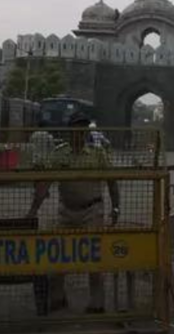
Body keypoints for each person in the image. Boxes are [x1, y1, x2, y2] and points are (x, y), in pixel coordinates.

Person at [28, 113, 121, 314]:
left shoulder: (98, 154)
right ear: (70, 132)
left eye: (84, 129)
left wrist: (116, 207)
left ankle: (97, 303)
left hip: (92, 210)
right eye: (77, 129)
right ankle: (58, 298)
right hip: (67, 211)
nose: (80, 133)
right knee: (58, 255)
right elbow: (45, 183)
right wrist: (33, 210)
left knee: (94, 257)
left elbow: (112, 181)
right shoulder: (60, 154)